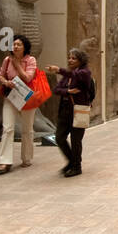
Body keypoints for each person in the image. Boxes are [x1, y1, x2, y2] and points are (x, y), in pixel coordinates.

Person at [47, 48, 93, 176]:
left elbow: (75, 75)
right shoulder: (67, 76)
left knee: (75, 140)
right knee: (59, 137)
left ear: (81, 60)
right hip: (65, 111)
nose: (70, 60)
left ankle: (76, 167)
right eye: (69, 57)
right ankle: (71, 161)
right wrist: (67, 91)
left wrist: (59, 70)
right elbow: (56, 89)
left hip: (78, 111)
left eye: (74, 58)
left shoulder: (84, 73)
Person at [0, 34, 37, 173]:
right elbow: (0, 74)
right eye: (14, 44)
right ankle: (4, 161)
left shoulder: (31, 60)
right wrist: (6, 82)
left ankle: (26, 158)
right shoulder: (7, 60)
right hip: (10, 96)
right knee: (7, 128)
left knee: (27, 129)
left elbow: (27, 77)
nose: (15, 47)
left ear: (25, 47)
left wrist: (17, 65)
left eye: (19, 44)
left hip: (26, 97)